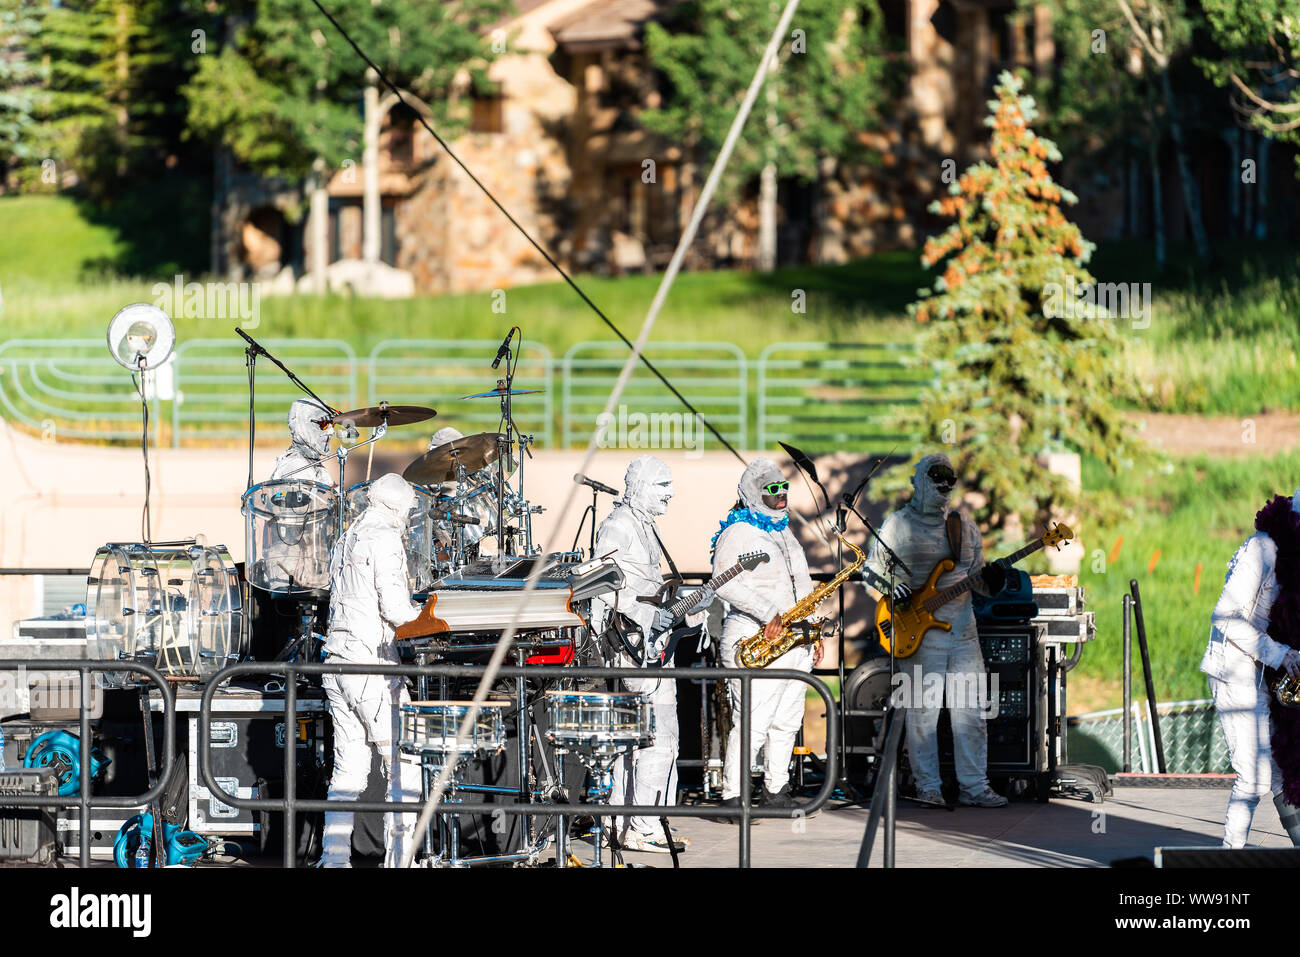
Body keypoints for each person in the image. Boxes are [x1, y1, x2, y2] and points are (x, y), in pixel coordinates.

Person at [864, 453, 1008, 808]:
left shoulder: (964, 526)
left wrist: (995, 581)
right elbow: (870, 571)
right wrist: (888, 586)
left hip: (962, 634)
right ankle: (929, 786)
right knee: (922, 715)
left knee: (971, 714)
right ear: (920, 481)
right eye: (936, 477)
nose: (944, 485)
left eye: (950, 478)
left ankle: (974, 787)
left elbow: (980, 583)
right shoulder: (897, 525)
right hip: (918, 635)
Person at [591, 455, 708, 853]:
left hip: (653, 649)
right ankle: (640, 825)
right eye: (662, 485)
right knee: (655, 737)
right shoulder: (617, 525)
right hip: (631, 647)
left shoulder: (648, 527)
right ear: (639, 486)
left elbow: (651, 590)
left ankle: (635, 823)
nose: (670, 494)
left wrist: (690, 612)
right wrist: (646, 619)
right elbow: (600, 584)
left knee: (647, 737)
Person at [318, 472, 423, 867]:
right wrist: (430, 614)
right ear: (399, 507)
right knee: (403, 763)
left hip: (336, 661)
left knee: (348, 770)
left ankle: (334, 858)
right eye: (410, 511)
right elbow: (396, 611)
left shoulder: (348, 536)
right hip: (370, 664)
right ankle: (400, 860)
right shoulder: (385, 537)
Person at [710, 457, 825, 817]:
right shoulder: (738, 532)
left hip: (792, 640)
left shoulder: (783, 531)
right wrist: (766, 612)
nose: (780, 494)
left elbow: (803, 586)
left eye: (783, 488)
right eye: (771, 489)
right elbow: (724, 581)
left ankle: (777, 788)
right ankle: (735, 793)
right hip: (754, 637)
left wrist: (813, 629)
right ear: (753, 493)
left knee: (787, 719)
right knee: (754, 720)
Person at [1201, 491, 1300, 848]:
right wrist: (1282, 654)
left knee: (1276, 774)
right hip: (1233, 669)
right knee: (1252, 779)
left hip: (1261, 670)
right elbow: (1224, 618)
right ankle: (1230, 856)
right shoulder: (1262, 549)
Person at [270, 398, 335, 485]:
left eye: (332, 424)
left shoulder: (310, 462)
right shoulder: (295, 467)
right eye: (324, 424)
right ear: (302, 427)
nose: (332, 432)